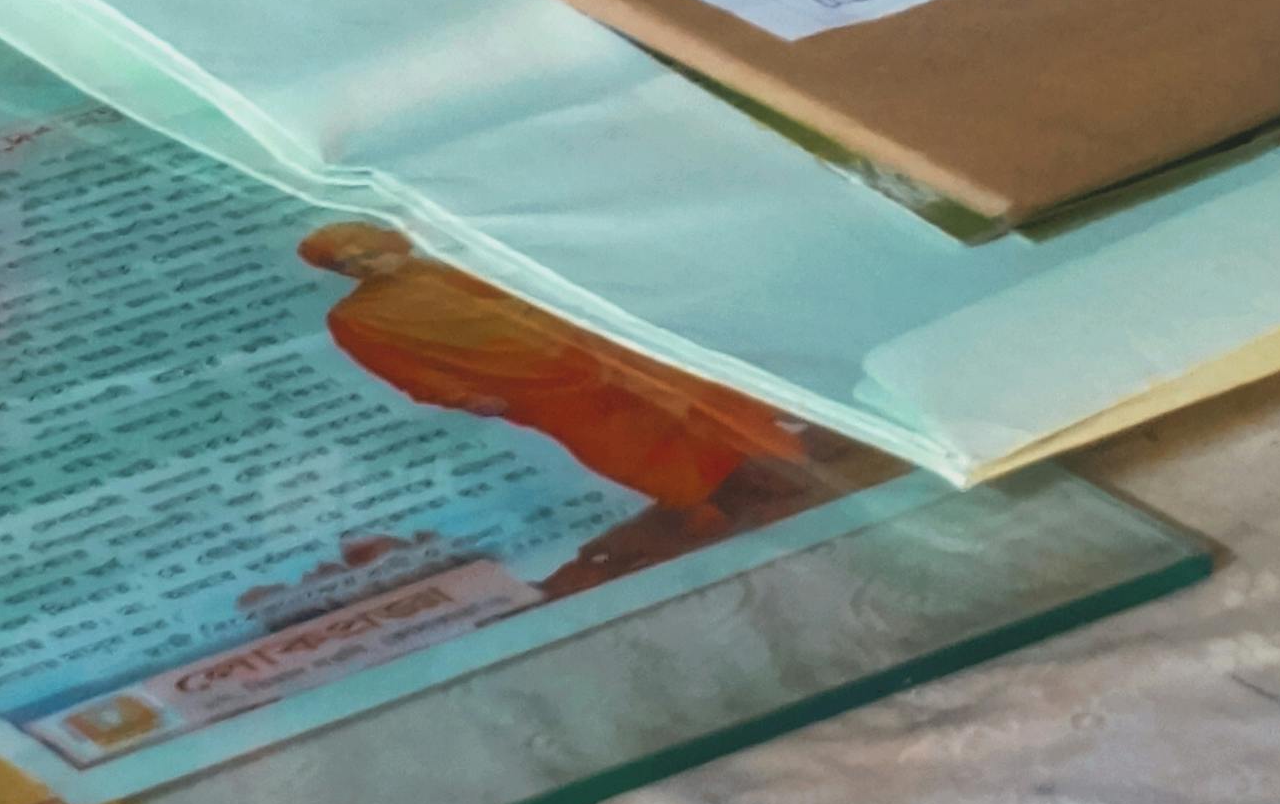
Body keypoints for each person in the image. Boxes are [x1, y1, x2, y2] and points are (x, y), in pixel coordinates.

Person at [296, 223, 860, 586]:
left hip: (590, 352)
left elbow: (532, 295)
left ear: (390, 244)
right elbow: (405, 371)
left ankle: (776, 458)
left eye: (368, 251)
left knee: (692, 404)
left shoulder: (446, 270)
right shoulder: (354, 319)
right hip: (539, 389)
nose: (364, 265)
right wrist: (466, 396)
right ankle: (702, 502)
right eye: (348, 264)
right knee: (624, 447)